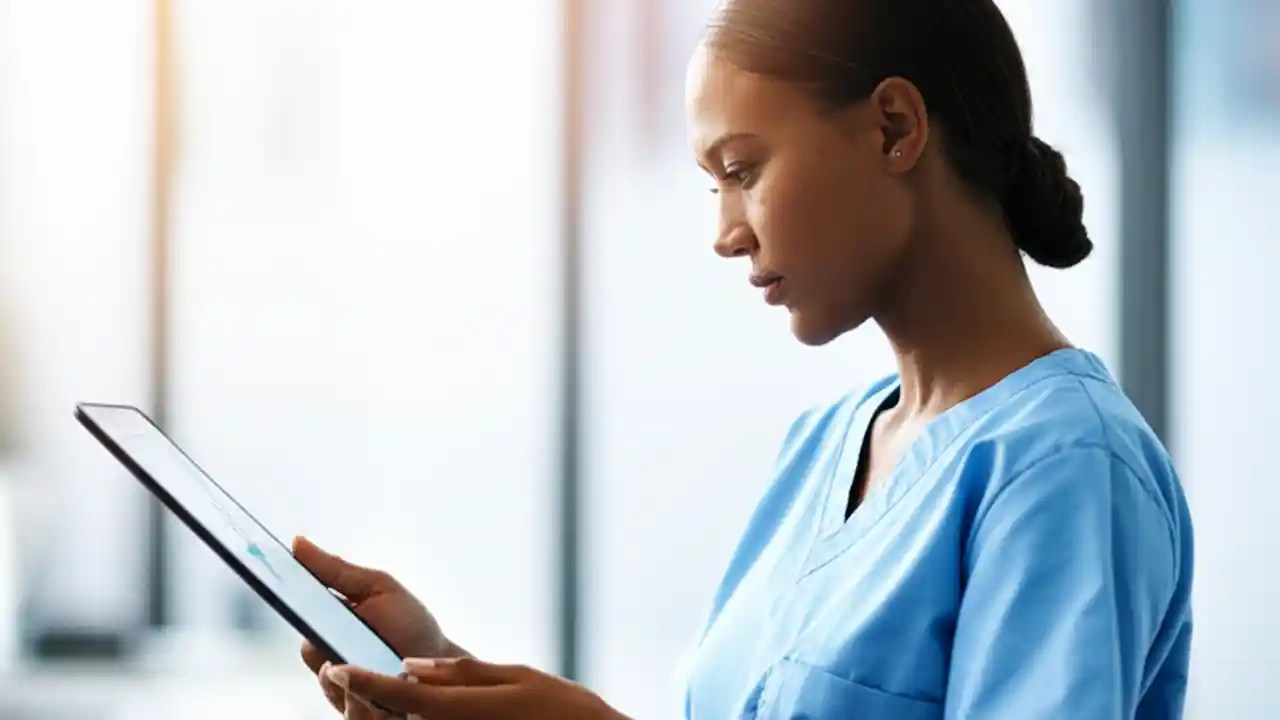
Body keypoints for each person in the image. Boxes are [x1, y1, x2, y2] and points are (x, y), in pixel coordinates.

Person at [292, 0, 1194, 717]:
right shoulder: (826, 445)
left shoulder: (1065, 471)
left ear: (892, 128)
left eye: (744, 169)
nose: (726, 234)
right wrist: (441, 674)